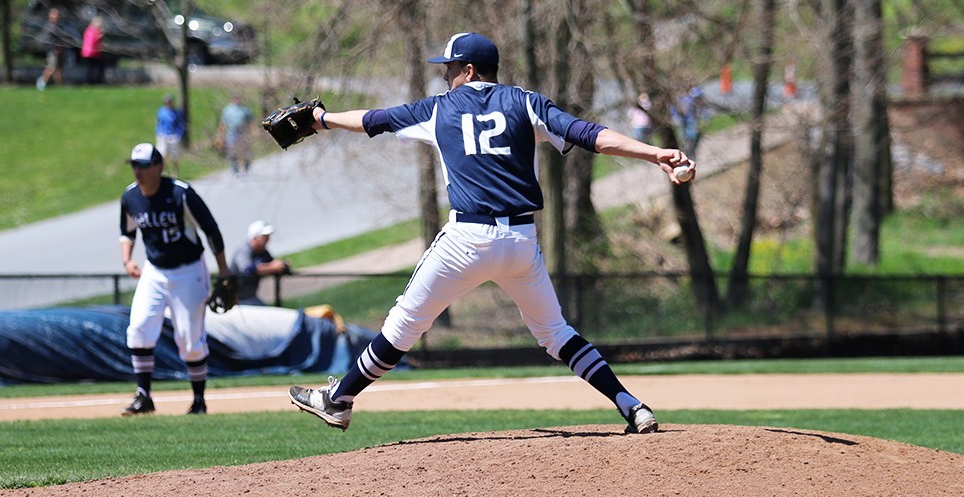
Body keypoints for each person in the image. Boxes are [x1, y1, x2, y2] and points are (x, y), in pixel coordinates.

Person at [288, 32, 692, 434]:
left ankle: (338, 400)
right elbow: (589, 135)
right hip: (520, 243)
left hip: (466, 239)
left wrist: (321, 119)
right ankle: (631, 406)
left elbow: (372, 120)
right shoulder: (526, 102)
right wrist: (655, 153)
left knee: (404, 324)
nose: (445, 77)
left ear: (468, 70)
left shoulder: (439, 108)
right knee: (556, 334)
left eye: (449, 69)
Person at [119, 143, 230, 416]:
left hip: (189, 270)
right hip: (154, 271)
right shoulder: (131, 196)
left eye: (143, 165)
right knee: (138, 328)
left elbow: (211, 230)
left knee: (190, 341)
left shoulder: (181, 193)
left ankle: (199, 401)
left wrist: (224, 271)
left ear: (159, 166)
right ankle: (144, 395)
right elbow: (127, 231)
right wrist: (127, 260)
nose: (138, 171)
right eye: (134, 165)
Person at [229, 220, 291, 306]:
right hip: (234, 301)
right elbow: (248, 270)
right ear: (255, 237)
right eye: (265, 236)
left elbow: (272, 264)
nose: (268, 239)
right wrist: (272, 267)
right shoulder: (244, 251)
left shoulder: (262, 252)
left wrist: (282, 266)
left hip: (250, 297)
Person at [217, 94, 254, 176]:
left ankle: (246, 169)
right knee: (232, 152)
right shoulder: (227, 110)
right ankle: (235, 170)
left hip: (243, 132)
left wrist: (254, 130)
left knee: (246, 152)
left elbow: (251, 121)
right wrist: (220, 136)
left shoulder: (245, 109)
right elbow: (223, 124)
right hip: (232, 133)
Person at [670, 86, 709, 157]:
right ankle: (686, 155)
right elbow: (673, 109)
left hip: (692, 121)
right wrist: (675, 117)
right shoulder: (680, 99)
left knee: (693, 139)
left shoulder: (691, 98)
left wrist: (704, 119)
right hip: (683, 122)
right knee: (684, 140)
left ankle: (691, 155)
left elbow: (702, 109)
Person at [156, 94, 186, 178]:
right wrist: (158, 133)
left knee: (174, 156)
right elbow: (159, 123)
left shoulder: (177, 113)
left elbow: (181, 125)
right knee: (162, 154)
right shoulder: (161, 112)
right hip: (163, 136)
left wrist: (178, 135)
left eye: (169, 101)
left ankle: (175, 173)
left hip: (173, 136)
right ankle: (164, 172)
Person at [36, 8, 65, 91]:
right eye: (54, 15)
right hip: (52, 51)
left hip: (60, 51)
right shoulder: (48, 27)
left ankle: (60, 86)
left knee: (60, 69)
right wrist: (54, 48)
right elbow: (48, 40)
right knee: (51, 68)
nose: (57, 17)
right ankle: (41, 82)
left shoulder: (59, 26)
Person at [81, 16, 104, 85]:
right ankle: (91, 82)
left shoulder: (95, 30)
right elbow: (92, 41)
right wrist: (99, 36)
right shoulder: (91, 30)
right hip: (90, 53)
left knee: (94, 68)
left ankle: (93, 82)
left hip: (95, 52)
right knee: (91, 68)